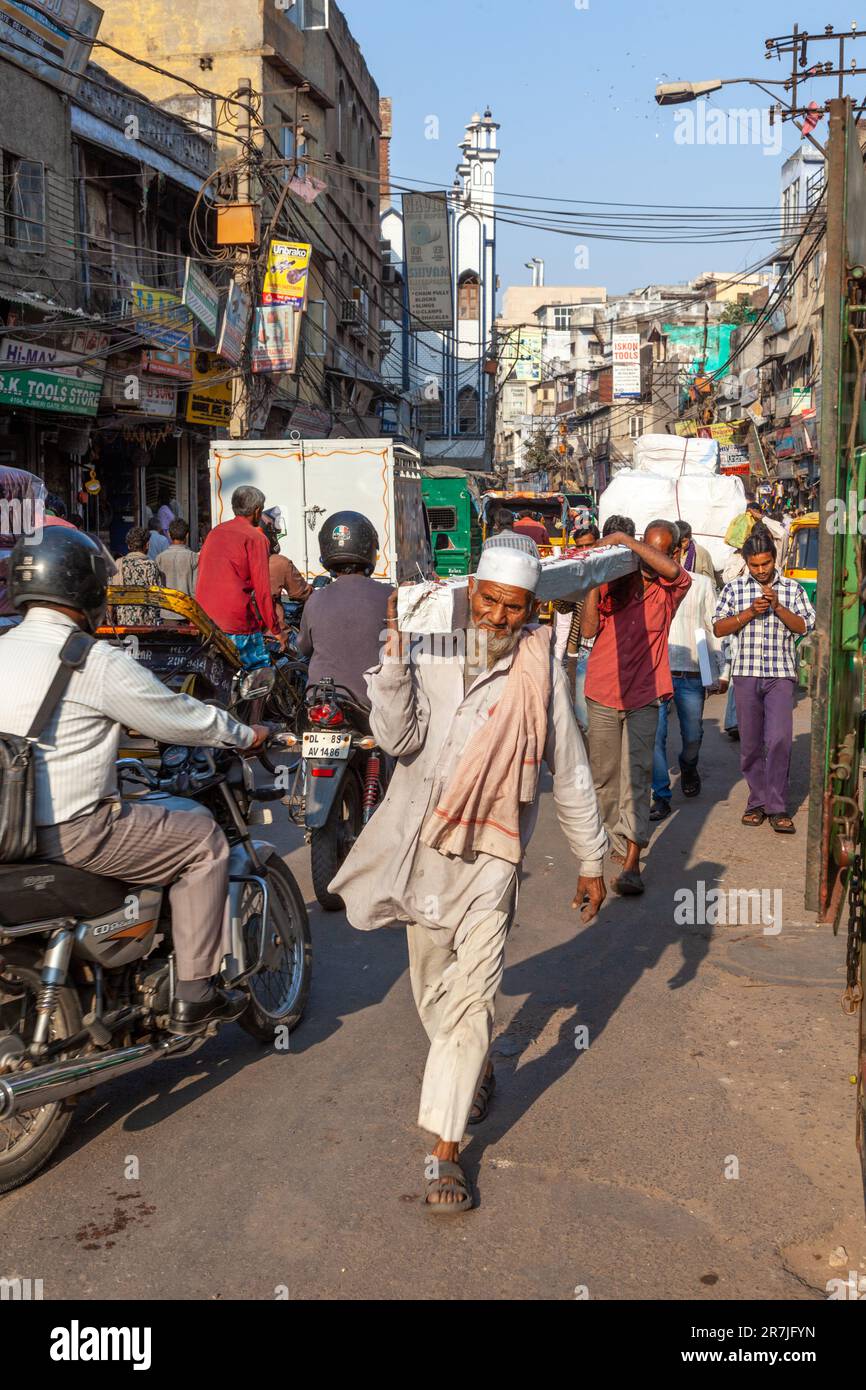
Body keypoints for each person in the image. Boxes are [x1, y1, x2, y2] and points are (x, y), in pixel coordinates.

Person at [328, 533, 607, 1212]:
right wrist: (393, 658)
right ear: (470, 593)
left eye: (516, 607)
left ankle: (444, 1153)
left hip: (493, 857)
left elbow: (567, 771)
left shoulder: (543, 671)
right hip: (424, 851)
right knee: (432, 991)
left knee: (472, 997)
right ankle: (472, 1064)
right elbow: (397, 742)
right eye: (490, 601)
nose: (499, 618)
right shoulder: (430, 651)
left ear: (530, 607)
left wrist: (593, 858)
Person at [0, 527, 270, 1032]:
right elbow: (176, 716)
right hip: (75, 834)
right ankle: (194, 992)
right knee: (203, 841)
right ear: (85, 591)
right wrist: (243, 733)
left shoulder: (3, 648)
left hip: (7, 835)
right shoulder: (91, 661)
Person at [582, 520, 690, 895]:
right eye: (647, 549)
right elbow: (588, 630)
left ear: (673, 551)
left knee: (638, 776)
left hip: (645, 695)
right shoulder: (617, 581)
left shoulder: (671, 589)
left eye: (658, 551)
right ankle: (615, 839)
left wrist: (625, 540)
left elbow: (673, 572)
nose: (649, 560)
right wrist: (596, 583)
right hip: (602, 690)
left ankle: (632, 862)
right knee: (605, 778)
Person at [713, 525, 816, 833]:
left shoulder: (792, 588)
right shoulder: (734, 589)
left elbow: (803, 626)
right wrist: (748, 613)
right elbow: (719, 627)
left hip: (781, 675)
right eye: (755, 565)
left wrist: (777, 607)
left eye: (766, 564)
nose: (760, 570)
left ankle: (777, 805)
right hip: (745, 674)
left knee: (780, 740)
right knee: (751, 744)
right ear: (747, 562)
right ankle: (757, 801)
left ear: (775, 559)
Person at [650, 527, 724, 821]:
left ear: (679, 550)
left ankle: (688, 765)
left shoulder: (702, 584)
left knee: (692, 736)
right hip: (656, 672)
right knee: (655, 737)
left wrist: (722, 671)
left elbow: (715, 627)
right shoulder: (649, 584)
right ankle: (662, 794)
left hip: (691, 672)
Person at [296, 511, 392, 710]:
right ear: (369, 551)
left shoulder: (315, 599)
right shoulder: (390, 597)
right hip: (373, 704)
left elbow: (304, 648)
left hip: (319, 700)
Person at [195, 485, 279, 669]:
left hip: (204, 619)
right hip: (235, 621)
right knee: (260, 672)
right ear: (257, 511)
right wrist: (275, 629)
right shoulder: (256, 538)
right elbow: (263, 590)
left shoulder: (215, 532)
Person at [552, 521, 599, 730]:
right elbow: (563, 608)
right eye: (579, 547)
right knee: (581, 713)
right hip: (580, 648)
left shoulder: (611, 571)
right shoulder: (576, 571)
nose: (583, 551)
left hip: (604, 646)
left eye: (588, 545)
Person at [263, 515, 311, 639]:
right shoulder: (278, 562)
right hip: (273, 635)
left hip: (242, 631)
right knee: (306, 652)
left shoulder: (238, 560)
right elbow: (301, 593)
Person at [156, 518, 198, 622]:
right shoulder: (193, 557)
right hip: (187, 613)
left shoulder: (160, 558)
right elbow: (195, 589)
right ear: (187, 535)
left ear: (169, 535)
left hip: (166, 613)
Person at [116, 527, 160, 626]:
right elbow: (156, 596)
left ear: (128, 546)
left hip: (124, 622)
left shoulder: (119, 563)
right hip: (146, 622)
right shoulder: (150, 565)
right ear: (147, 545)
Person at [675, 519, 715, 585]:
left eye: (683, 541)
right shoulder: (668, 552)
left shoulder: (702, 553)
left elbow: (710, 582)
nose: (680, 545)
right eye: (677, 541)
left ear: (690, 537)